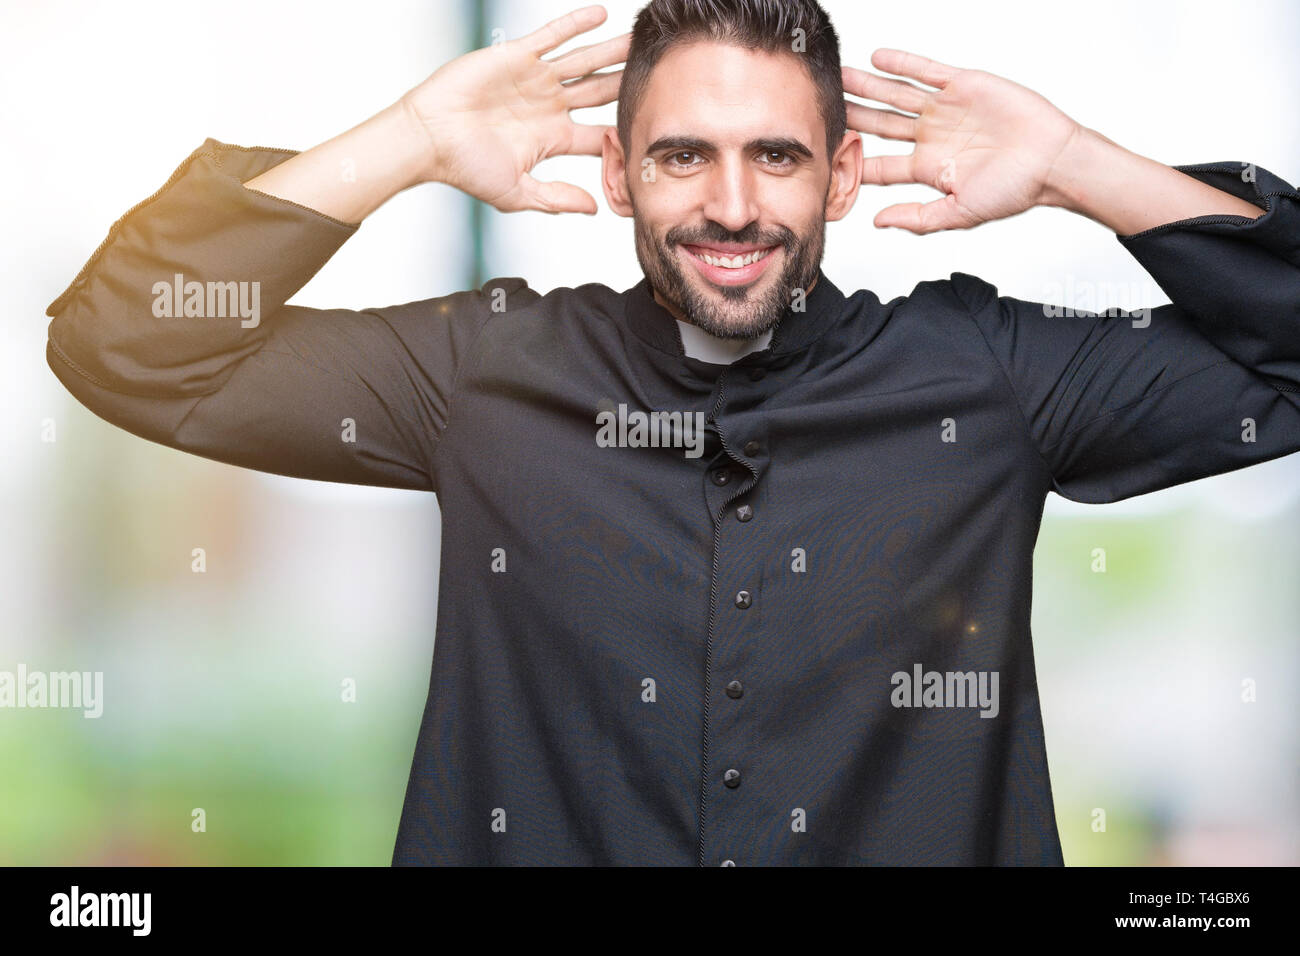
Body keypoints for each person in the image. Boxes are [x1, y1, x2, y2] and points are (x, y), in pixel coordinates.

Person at [44, 0, 1300, 865]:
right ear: (623, 172)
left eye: (777, 156)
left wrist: (1082, 166)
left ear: (843, 176)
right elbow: (127, 343)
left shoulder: (989, 377)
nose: (733, 204)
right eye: (684, 156)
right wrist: (412, 143)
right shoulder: (486, 373)